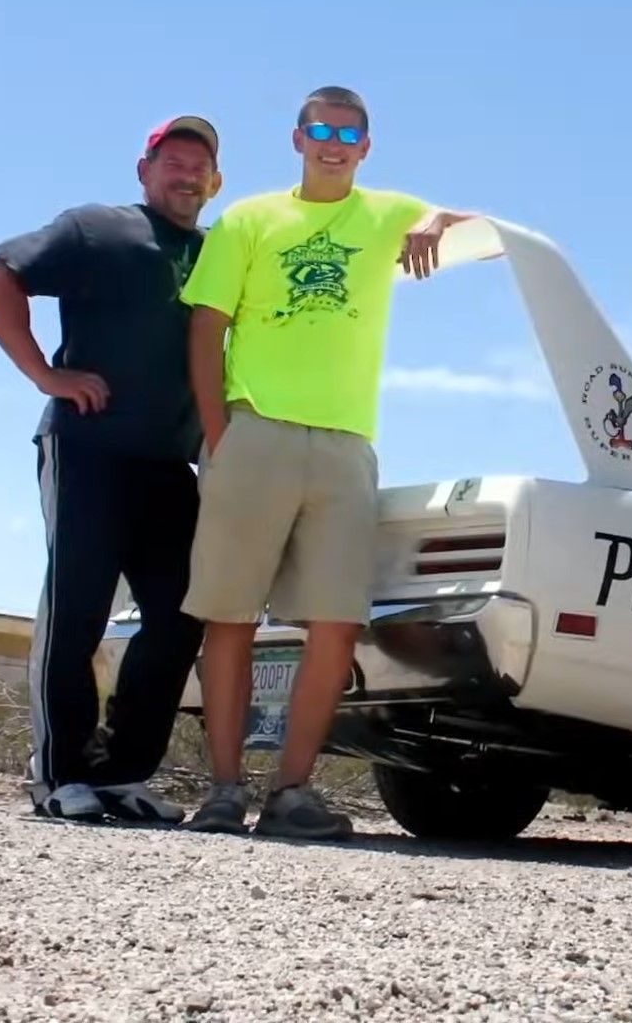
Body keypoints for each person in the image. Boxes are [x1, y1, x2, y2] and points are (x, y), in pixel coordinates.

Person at [177, 86, 476, 839]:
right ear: (297, 138)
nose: (333, 143)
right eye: (320, 129)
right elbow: (207, 327)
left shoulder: (385, 212)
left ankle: (292, 791)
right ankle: (221, 790)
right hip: (256, 433)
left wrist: (437, 220)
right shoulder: (250, 218)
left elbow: (478, 225)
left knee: (338, 623)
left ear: (366, 147)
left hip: (346, 445)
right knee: (231, 616)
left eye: (348, 133)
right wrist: (220, 436)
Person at [0, 116, 224, 823]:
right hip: (87, 446)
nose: (185, 175)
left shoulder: (217, 252)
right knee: (78, 609)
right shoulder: (96, 228)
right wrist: (43, 375)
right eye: (171, 161)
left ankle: (122, 773)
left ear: (216, 182)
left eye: (198, 166)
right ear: (145, 171)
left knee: (179, 615)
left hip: (170, 462)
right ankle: (57, 774)